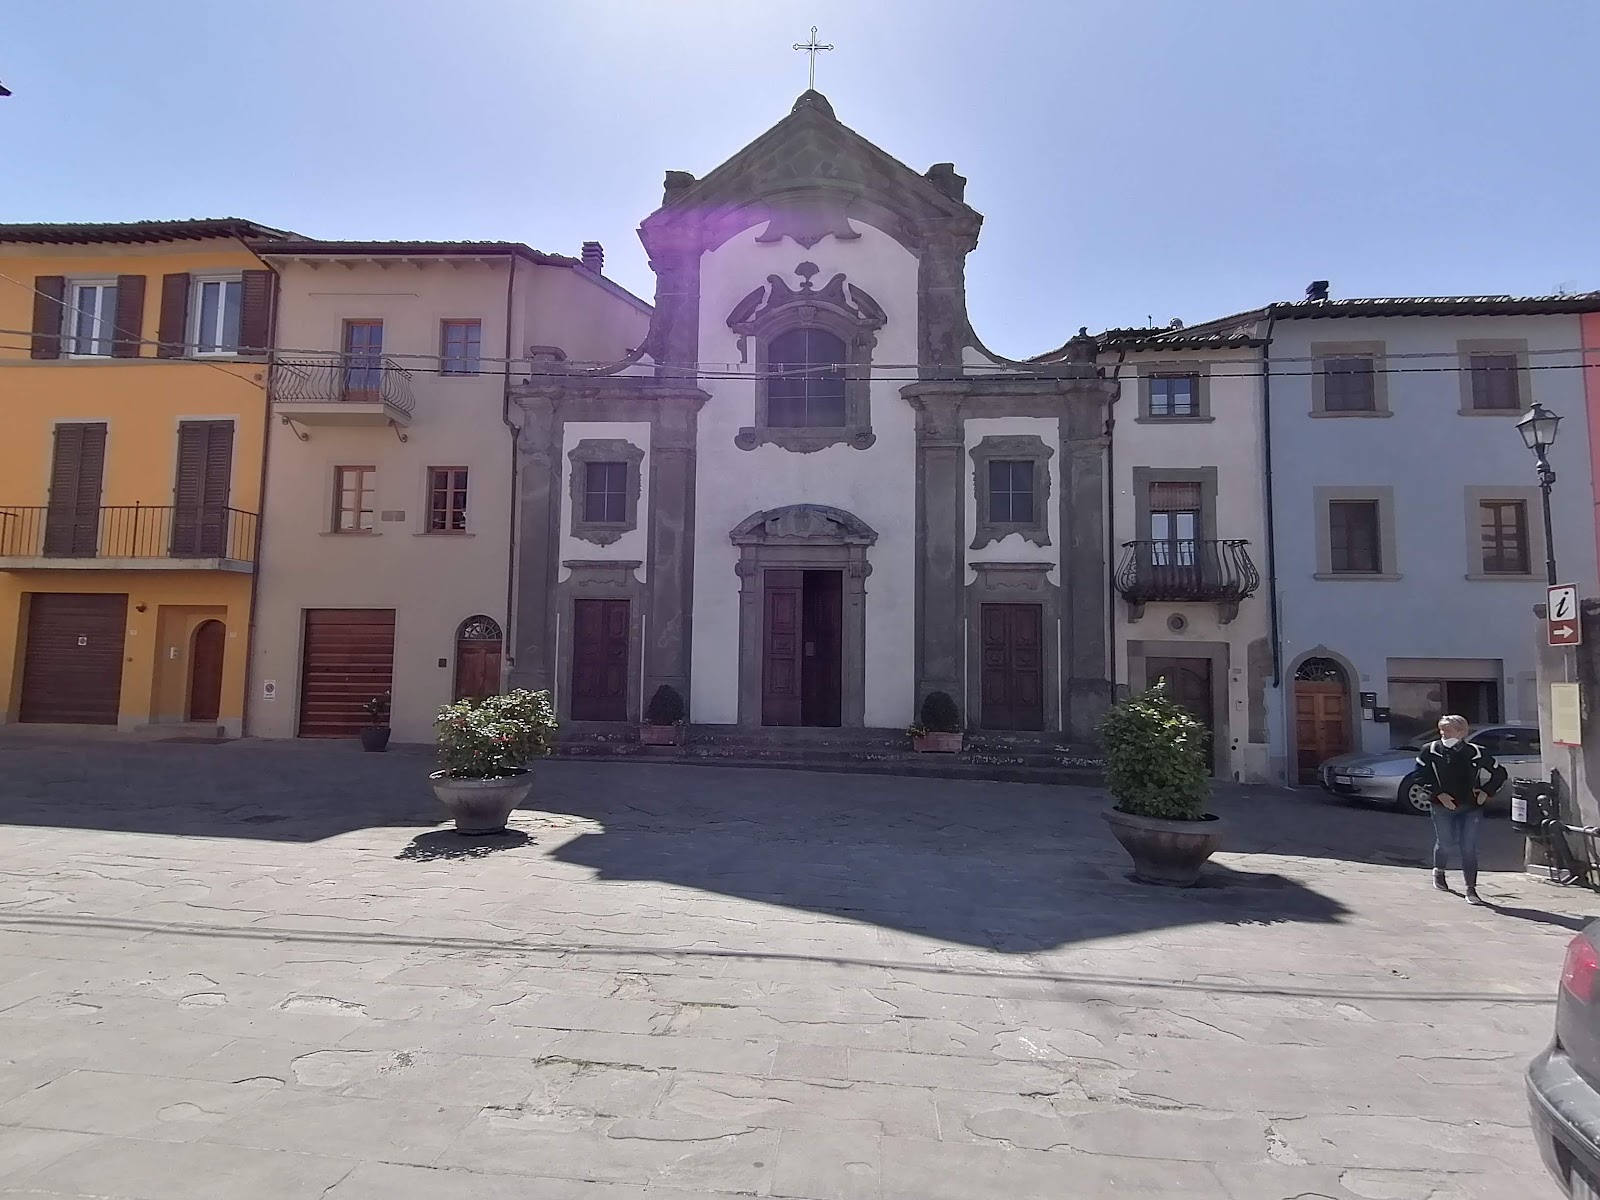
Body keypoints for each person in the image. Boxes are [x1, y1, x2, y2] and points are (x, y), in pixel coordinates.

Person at [1415, 715, 1507, 906]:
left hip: (1470, 807)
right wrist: (1439, 794)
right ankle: (1439, 871)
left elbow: (1499, 773)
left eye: (1447, 730)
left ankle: (1471, 889)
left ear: (1461, 732)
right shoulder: (1430, 750)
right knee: (1446, 842)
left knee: (1468, 847)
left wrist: (1486, 792)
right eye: (1441, 730)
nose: (1443, 734)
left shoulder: (1475, 752)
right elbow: (1420, 776)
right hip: (1442, 806)